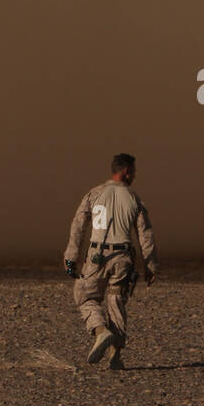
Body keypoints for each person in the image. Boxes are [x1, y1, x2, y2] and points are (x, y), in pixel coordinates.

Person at [63, 153, 158, 369]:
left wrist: (71, 257)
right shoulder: (134, 198)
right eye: (133, 171)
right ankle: (115, 355)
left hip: (97, 256)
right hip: (123, 257)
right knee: (116, 303)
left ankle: (99, 330)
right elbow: (145, 234)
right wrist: (150, 266)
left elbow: (78, 225)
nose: (135, 175)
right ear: (126, 172)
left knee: (86, 297)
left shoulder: (94, 194)